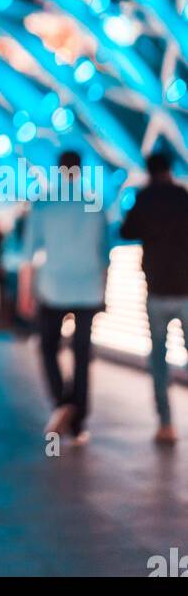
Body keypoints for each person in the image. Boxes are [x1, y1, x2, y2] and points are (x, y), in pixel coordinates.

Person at [17, 150, 111, 443]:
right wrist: (104, 291)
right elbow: (105, 255)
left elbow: (29, 256)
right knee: (82, 354)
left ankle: (62, 403)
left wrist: (25, 293)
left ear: (59, 170)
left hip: (53, 288)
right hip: (88, 288)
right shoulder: (96, 205)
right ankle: (79, 423)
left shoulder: (43, 203)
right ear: (81, 170)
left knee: (48, 348)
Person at [120, 149, 188, 444]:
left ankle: (166, 424)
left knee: (158, 358)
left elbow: (125, 231)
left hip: (157, 289)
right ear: (170, 169)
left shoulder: (144, 198)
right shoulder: (182, 197)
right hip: (186, 289)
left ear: (148, 171)